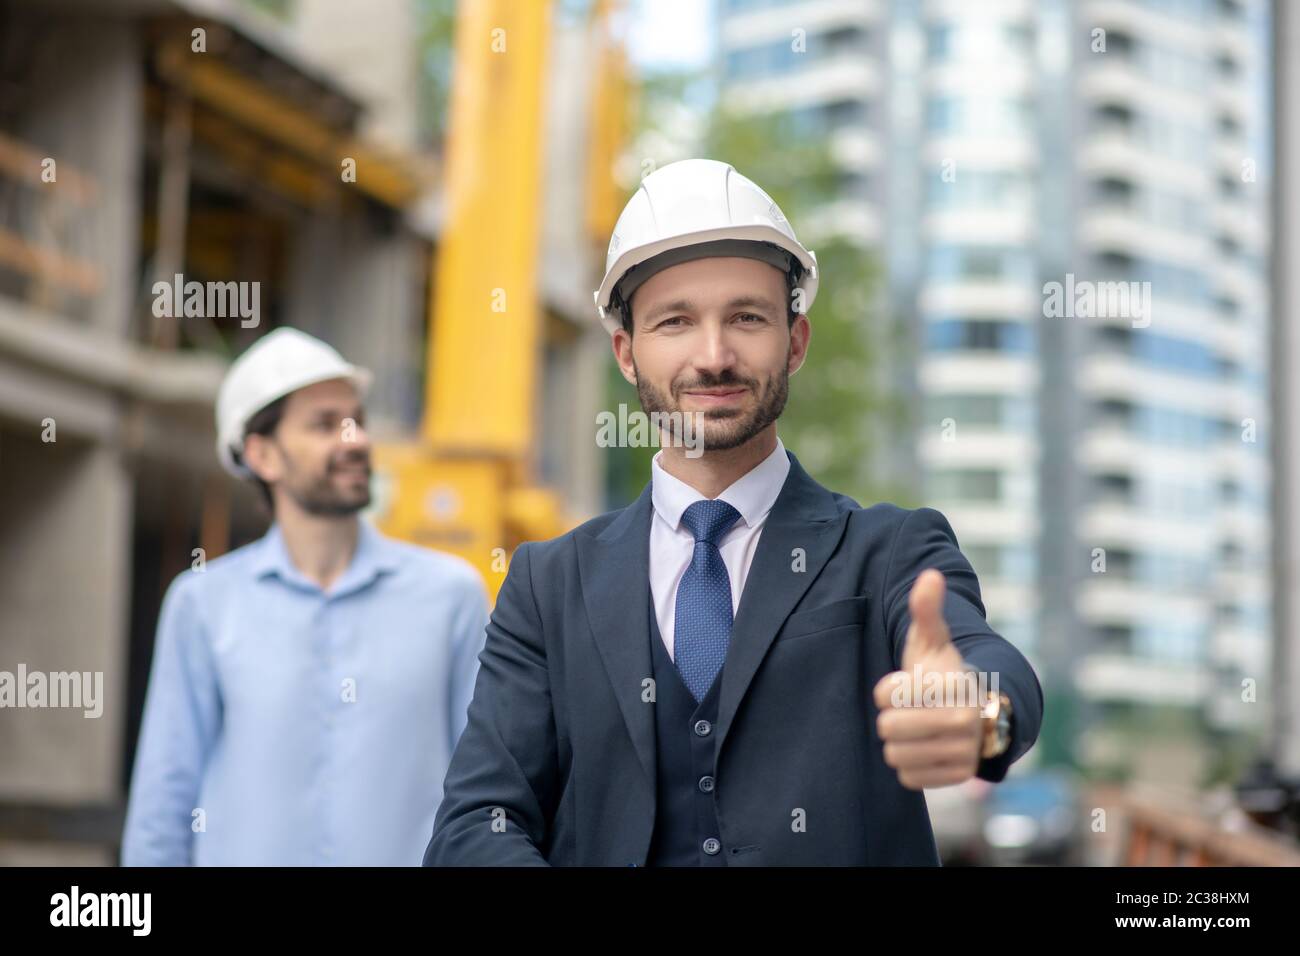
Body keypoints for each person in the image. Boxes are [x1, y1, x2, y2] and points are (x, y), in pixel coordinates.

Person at [424, 158, 1042, 866]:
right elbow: (478, 822)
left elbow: (986, 667)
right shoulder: (547, 585)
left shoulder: (892, 549)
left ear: (796, 341)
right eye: (675, 321)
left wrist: (979, 718)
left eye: (746, 318)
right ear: (627, 353)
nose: (713, 356)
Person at [122, 328, 489, 865]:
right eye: (324, 425)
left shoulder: (451, 596)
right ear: (262, 455)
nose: (355, 440)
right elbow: (164, 804)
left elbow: (484, 795)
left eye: (357, 421)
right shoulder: (202, 605)